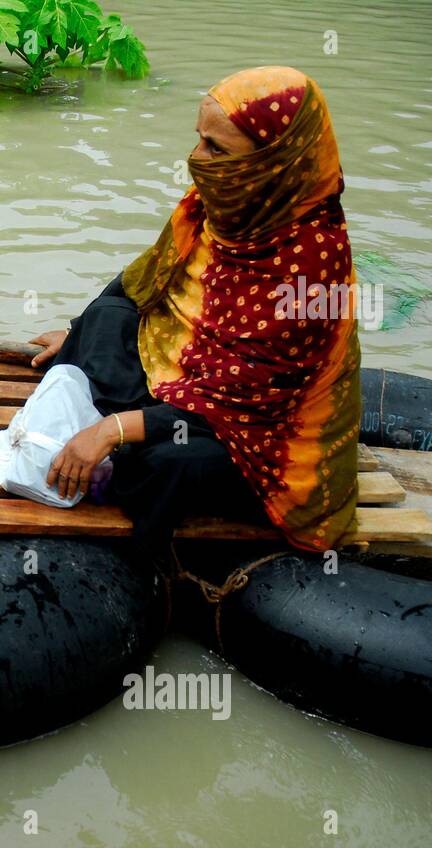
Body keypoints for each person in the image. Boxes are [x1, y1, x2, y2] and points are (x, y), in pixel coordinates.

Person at [30, 66, 361, 557]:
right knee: (108, 316)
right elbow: (148, 277)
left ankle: (141, 562)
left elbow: (244, 400)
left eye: (217, 150)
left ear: (272, 163)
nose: (196, 161)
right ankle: (112, 428)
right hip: (189, 374)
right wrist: (78, 334)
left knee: (172, 463)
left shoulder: (314, 263)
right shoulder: (222, 198)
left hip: (261, 431)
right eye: (200, 141)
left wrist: (112, 429)